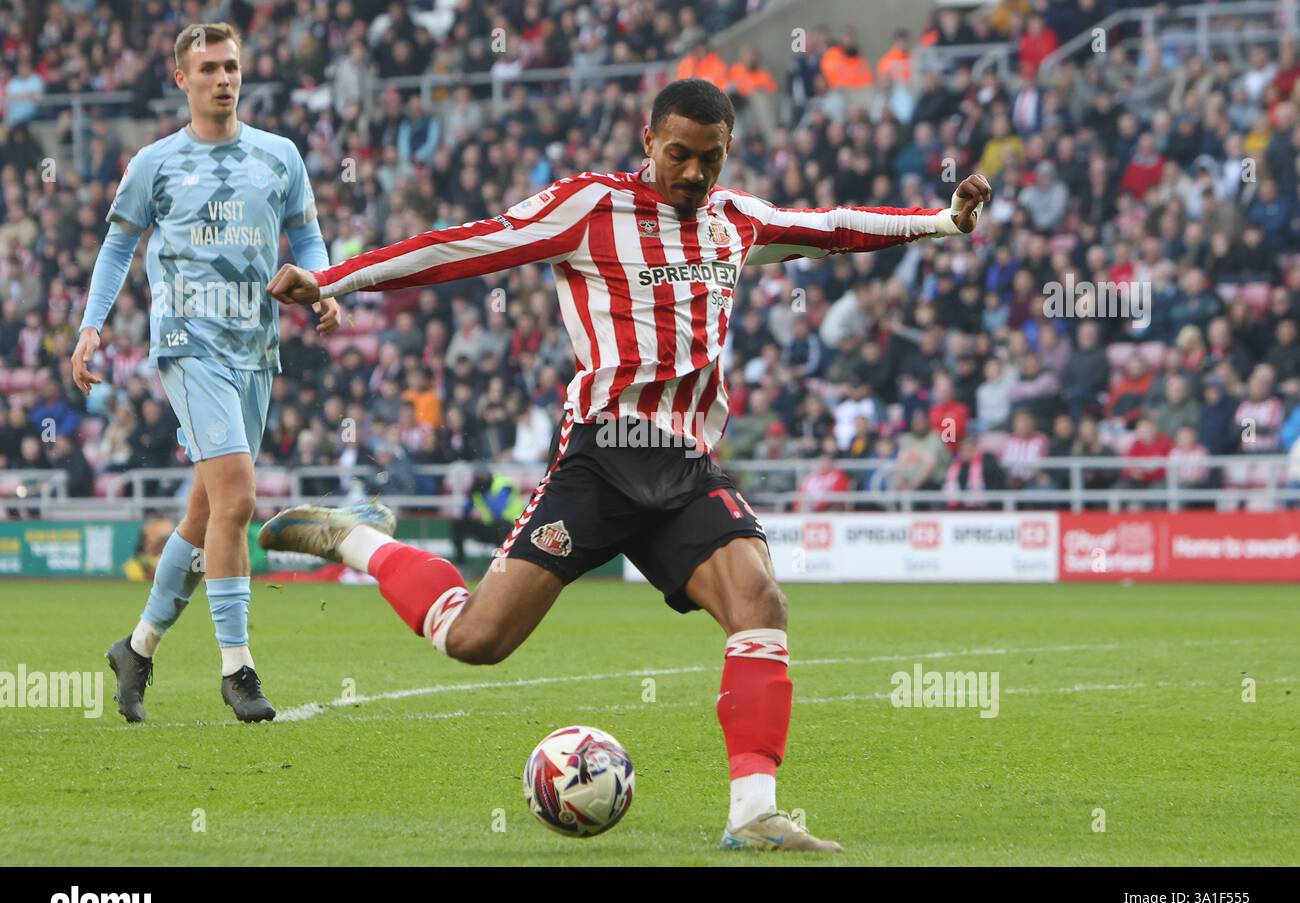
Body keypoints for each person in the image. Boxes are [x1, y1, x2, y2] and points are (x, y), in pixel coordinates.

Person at [259, 79, 990, 852]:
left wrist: (944, 222)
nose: (692, 174)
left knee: (760, 603)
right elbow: (461, 247)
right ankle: (355, 538)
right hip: (601, 462)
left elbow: (836, 227)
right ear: (648, 142)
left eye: (709, 158)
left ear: (727, 153)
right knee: (475, 640)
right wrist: (334, 279)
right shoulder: (588, 209)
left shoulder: (736, 221)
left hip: (686, 468)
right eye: (677, 154)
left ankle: (753, 811)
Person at [69, 22, 361, 724]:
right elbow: (116, 250)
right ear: (182, 79)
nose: (223, 79)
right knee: (237, 501)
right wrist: (90, 325)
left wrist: (324, 286)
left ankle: (137, 648)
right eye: (208, 69)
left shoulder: (280, 155)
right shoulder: (155, 164)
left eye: (231, 66)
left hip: (255, 348)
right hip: (187, 343)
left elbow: (307, 233)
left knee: (206, 516)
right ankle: (237, 669)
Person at [451, 466, 525, 566]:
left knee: (500, 526)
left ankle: (498, 568)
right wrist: (471, 495)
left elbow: (497, 512)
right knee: (458, 525)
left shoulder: (503, 485)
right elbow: (465, 513)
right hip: (491, 526)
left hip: (513, 527)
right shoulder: (478, 489)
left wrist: (484, 494)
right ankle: (461, 565)